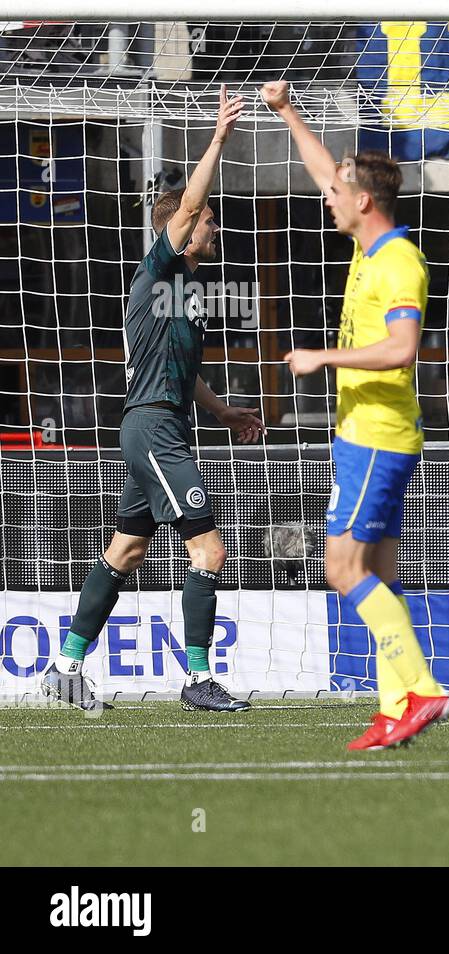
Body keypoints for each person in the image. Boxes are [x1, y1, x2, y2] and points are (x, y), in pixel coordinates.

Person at [42, 85, 264, 713]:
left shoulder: (187, 297)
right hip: (153, 430)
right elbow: (191, 200)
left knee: (128, 550)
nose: (215, 228)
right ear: (185, 228)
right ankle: (197, 679)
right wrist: (218, 136)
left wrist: (220, 410)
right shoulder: (156, 270)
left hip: (163, 425)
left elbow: (180, 369)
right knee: (209, 548)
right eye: (208, 222)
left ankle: (65, 668)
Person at [262, 80, 449, 749]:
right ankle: (395, 704)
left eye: (337, 192)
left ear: (363, 201)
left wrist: (323, 358)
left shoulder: (398, 262)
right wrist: (288, 111)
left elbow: (401, 351)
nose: (326, 197)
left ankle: (423, 689)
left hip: (374, 437)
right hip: (373, 436)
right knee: (381, 577)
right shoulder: (370, 246)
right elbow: (325, 169)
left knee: (341, 569)